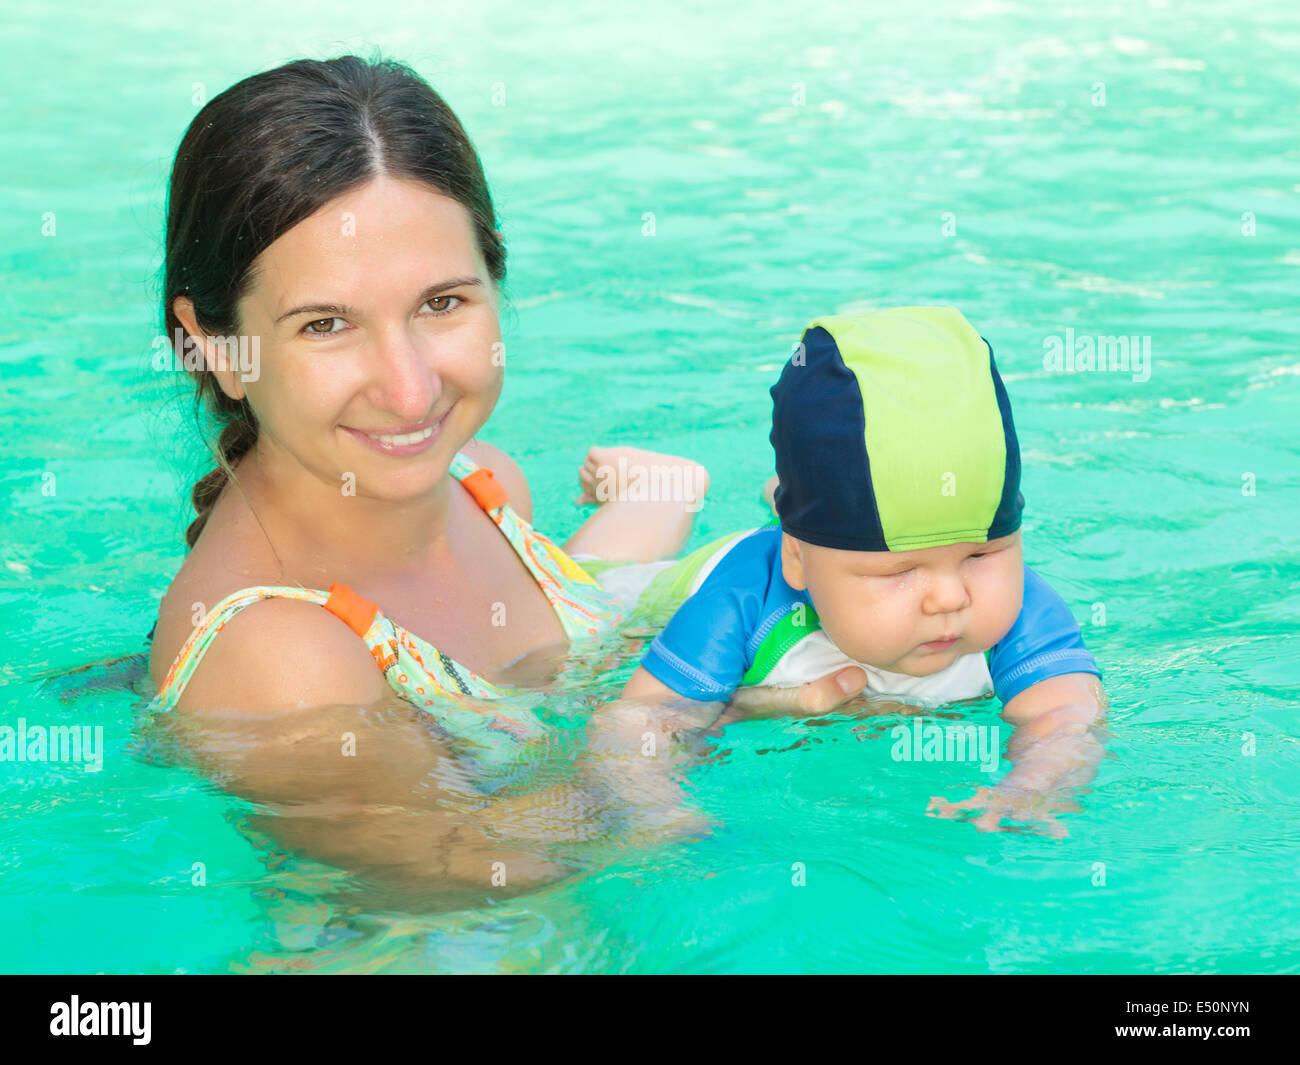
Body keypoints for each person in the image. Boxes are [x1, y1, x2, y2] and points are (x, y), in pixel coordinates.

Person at [145, 53, 860, 904]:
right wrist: (697, 720)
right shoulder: (281, 659)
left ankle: (660, 491)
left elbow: (569, 645)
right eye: (327, 324)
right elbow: (479, 878)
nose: (410, 389)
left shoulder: (483, 483)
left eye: (441, 303)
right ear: (216, 347)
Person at [596, 307, 1109, 837]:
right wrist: (653, 803)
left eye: (980, 555)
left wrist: (1035, 784)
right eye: (899, 571)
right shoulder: (741, 603)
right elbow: (640, 722)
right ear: (797, 560)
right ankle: (661, 485)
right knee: (589, 588)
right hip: (652, 591)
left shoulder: (1018, 602)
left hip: (812, 535)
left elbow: (1067, 717)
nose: (950, 597)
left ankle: (788, 496)